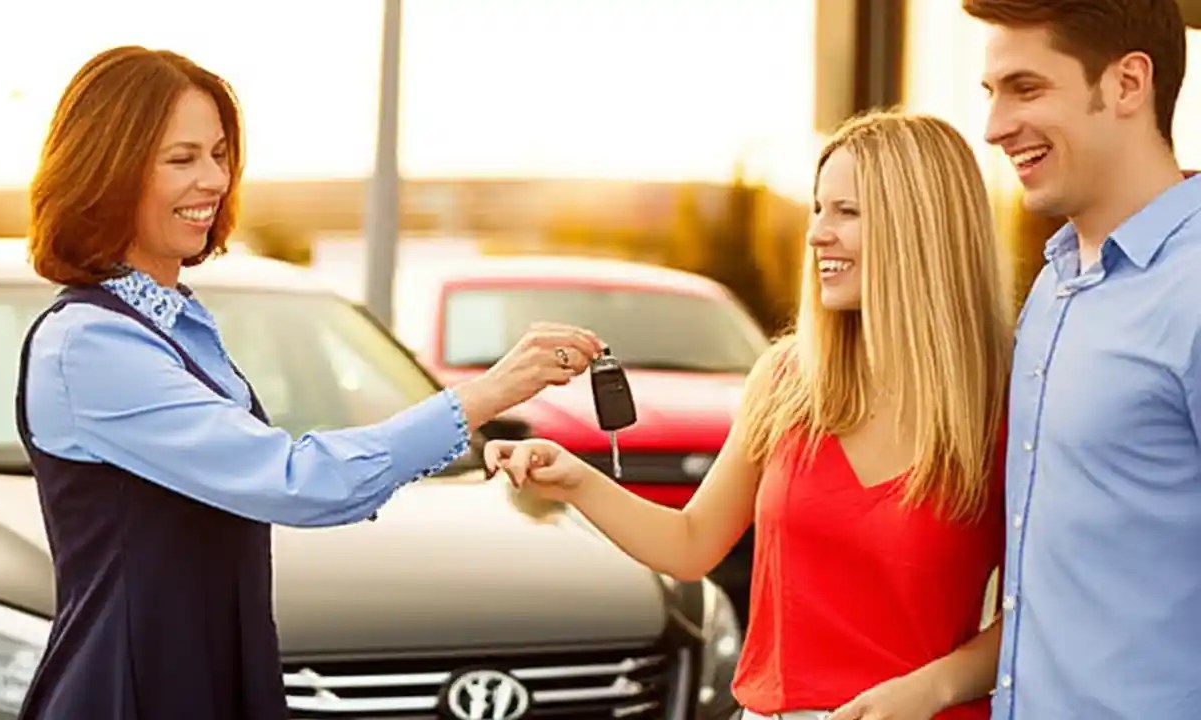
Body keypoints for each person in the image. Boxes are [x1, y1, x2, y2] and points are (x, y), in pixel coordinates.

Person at [14, 45, 604, 720]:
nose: (214, 179)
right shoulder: (91, 345)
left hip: (210, 675)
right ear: (108, 170)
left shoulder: (175, 321)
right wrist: (485, 395)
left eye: (219, 154)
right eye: (181, 159)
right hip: (131, 692)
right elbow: (296, 479)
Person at [486, 110, 1015, 720]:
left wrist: (933, 688)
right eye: (818, 209)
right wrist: (576, 479)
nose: (817, 234)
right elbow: (691, 544)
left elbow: (1043, 613)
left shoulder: (1008, 402)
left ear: (919, 228)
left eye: (847, 212)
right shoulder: (787, 379)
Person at [964, 1, 1201, 717]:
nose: (994, 126)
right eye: (992, 92)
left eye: (1026, 88)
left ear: (1127, 84)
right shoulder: (1055, 285)